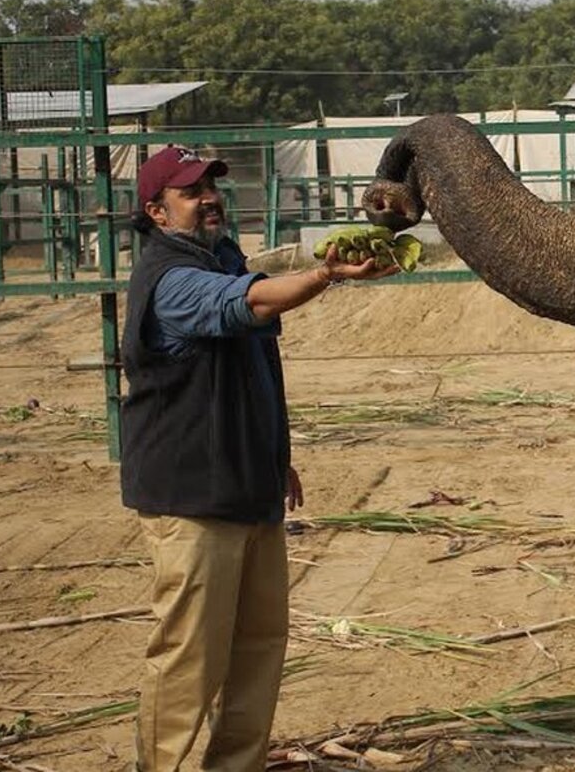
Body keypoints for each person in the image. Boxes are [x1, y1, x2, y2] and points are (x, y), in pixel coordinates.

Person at [119, 146, 396, 771]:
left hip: (247, 485)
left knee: (258, 648)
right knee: (190, 657)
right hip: (191, 497)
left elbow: (253, 366)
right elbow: (252, 304)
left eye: (212, 188)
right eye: (191, 192)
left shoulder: (221, 258)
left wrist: (278, 455)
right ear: (157, 213)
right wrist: (326, 275)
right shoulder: (171, 278)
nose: (210, 198)